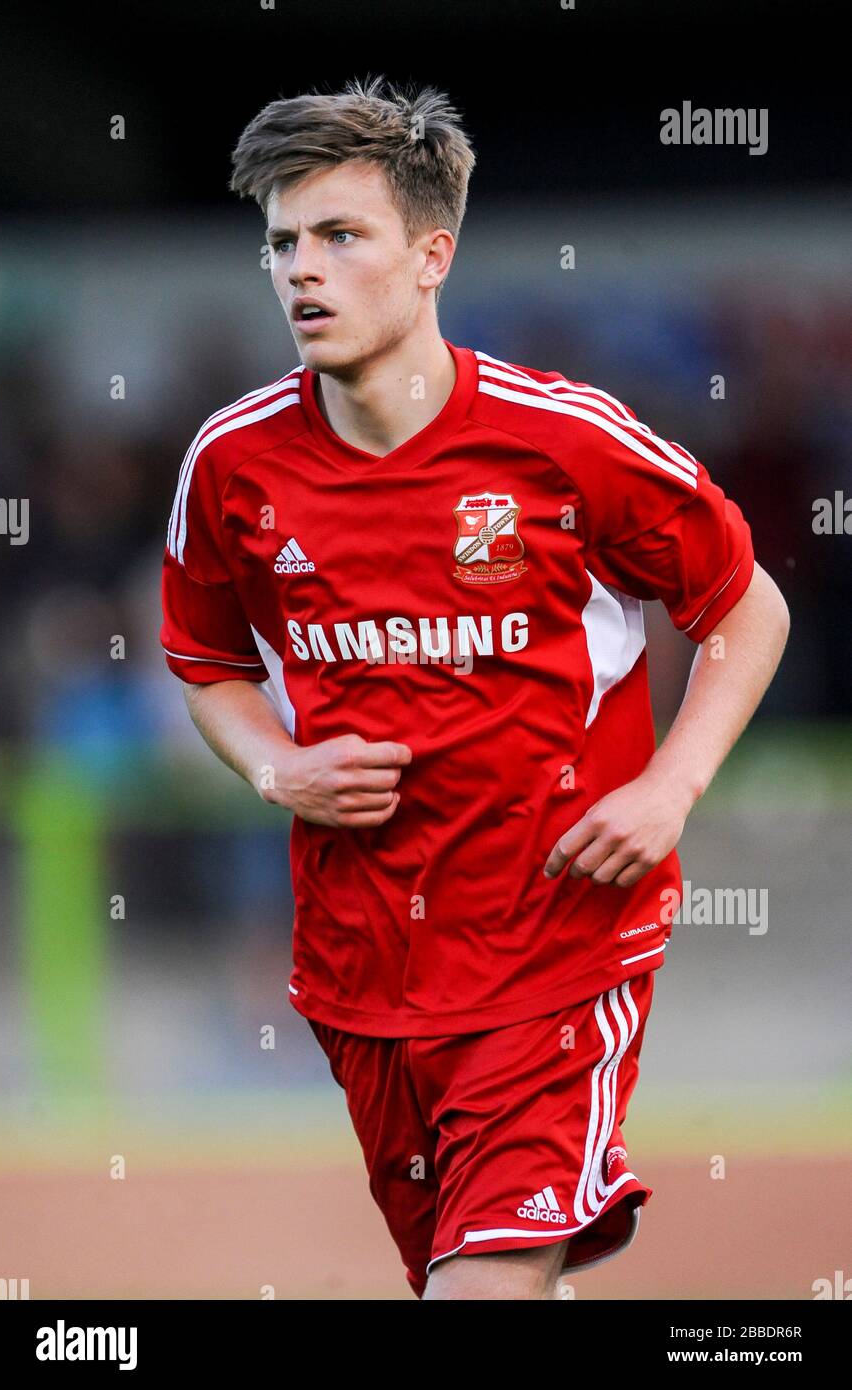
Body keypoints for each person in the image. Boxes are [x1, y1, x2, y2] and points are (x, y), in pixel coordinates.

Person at [160, 75, 790, 1300]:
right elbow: (207, 662)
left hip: (557, 945)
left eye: (341, 236)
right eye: (282, 243)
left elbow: (743, 604)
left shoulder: (567, 441)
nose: (302, 270)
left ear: (430, 256)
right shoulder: (232, 462)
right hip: (361, 967)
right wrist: (277, 767)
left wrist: (670, 787)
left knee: (484, 1286)